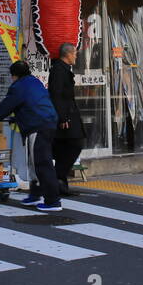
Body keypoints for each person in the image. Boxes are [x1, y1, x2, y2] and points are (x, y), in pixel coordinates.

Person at [0, 61, 62, 212]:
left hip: (38, 126)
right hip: (48, 122)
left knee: (42, 163)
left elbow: (7, 105)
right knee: (34, 163)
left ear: (14, 76)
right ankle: (35, 195)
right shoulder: (34, 82)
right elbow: (30, 104)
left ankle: (53, 201)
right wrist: (17, 118)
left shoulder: (19, 86)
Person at [47, 42, 85, 197]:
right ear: (68, 54)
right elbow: (56, 95)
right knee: (76, 143)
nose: (76, 56)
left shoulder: (63, 69)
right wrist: (62, 116)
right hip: (65, 116)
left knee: (64, 147)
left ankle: (60, 182)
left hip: (68, 114)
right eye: (74, 53)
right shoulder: (58, 70)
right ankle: (57, 177)